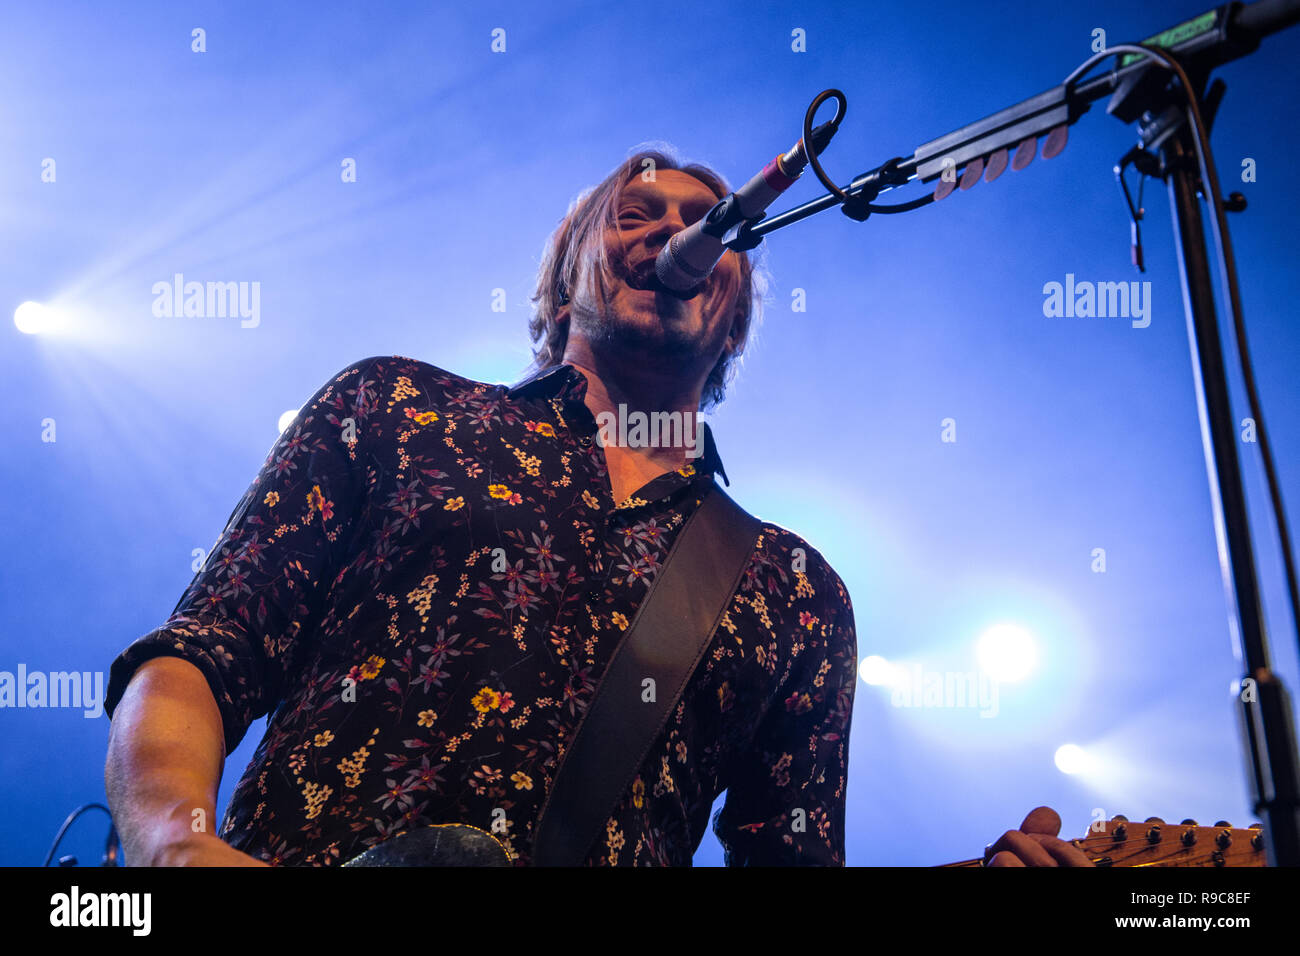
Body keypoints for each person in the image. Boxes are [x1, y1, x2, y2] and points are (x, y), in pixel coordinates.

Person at [103, 146, 1086, 867]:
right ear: (567, 272)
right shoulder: (395, 406)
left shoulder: (793, 590)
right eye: (634, 214)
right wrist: (170, 842)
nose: (673, 230)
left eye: (707, 219)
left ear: (734, 312)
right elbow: (202, 651)